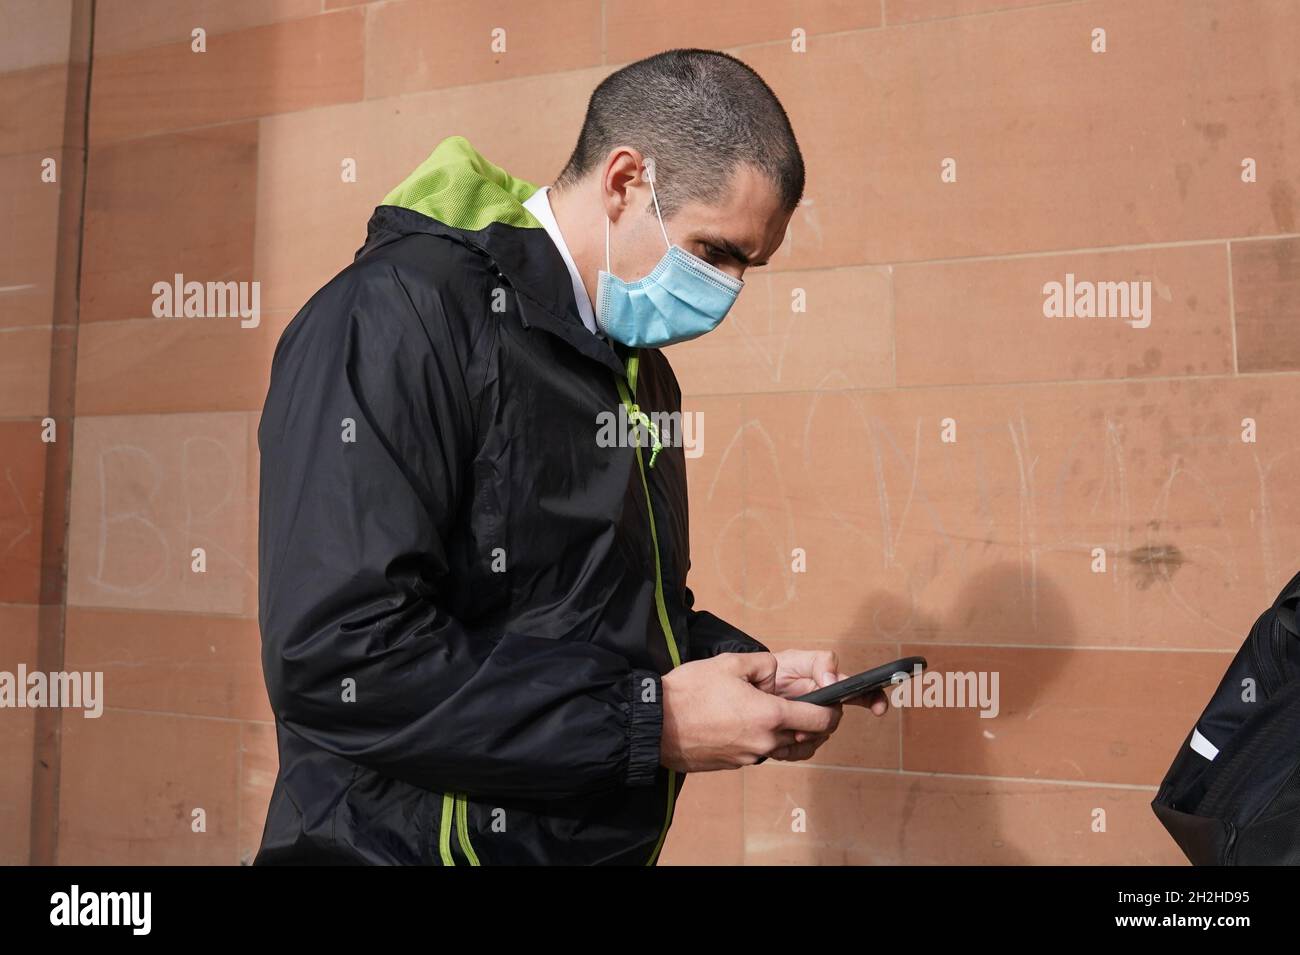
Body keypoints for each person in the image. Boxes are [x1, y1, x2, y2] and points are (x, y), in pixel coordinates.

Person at [254, 48, 887, 867]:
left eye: (749, 265)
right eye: (717, 251)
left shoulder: (639, 370)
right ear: (625, 181)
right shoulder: (396, 315)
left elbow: (593, 613)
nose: (730, 289)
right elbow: (337, 657)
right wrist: (650, 722)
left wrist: (736, 673)